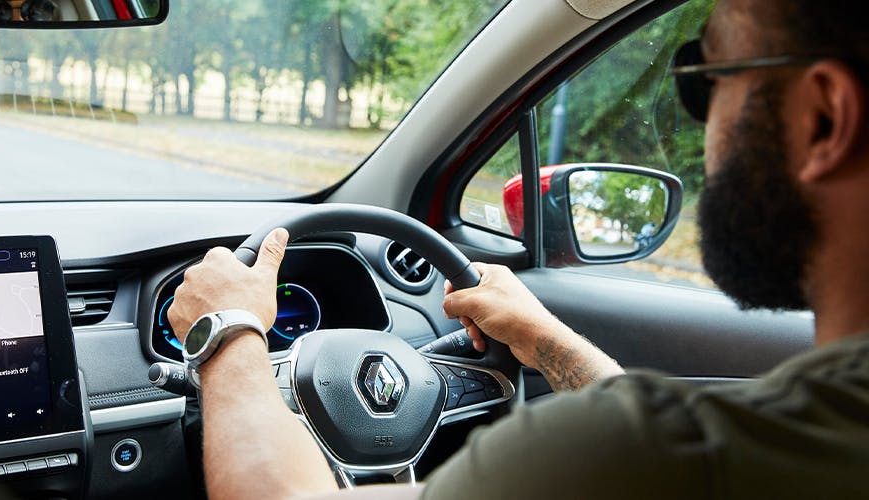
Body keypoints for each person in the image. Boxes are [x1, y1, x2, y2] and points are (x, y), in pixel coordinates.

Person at [166, 0, 869, 497]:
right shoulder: (734, 457)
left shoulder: (648, 457)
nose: (705, 128)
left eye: (701, 82)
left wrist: (228, 333)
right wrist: (542, 338)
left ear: (823, 118)